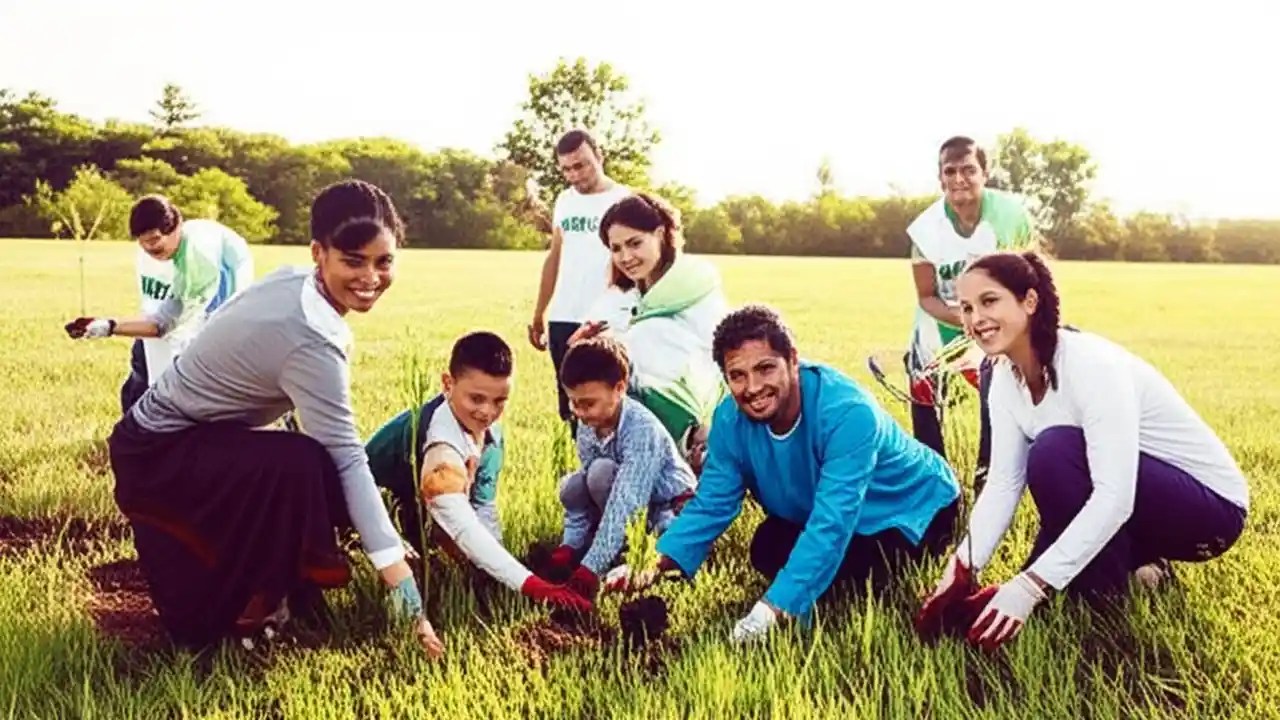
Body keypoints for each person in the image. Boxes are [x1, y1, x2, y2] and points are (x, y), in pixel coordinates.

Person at [104, 179, 441, 655]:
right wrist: (407, 595)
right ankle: (250, 612)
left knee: (306, 466)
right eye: (353, 260)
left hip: (191, 440)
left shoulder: (293, 281)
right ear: (318, 253)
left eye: (384, 261)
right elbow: (346, 456)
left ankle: (285, 591)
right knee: (306, 465)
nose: (371, 277)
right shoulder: (307, 340)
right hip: (159, 456)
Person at [916, 251, 1250, 652]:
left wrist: (1029, 586)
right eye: (966, 307)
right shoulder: (1004, 377)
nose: (975, 318)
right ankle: (1134, 571)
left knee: (1055, 451)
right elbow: (1004, 483)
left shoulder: (1091, 364)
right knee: (1053, 459)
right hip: (1141, 504)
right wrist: (963, 567)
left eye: (989, 301)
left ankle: (1102, 600)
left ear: (1029, 301)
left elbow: (1114, 496)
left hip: (1209, 513)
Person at [620, 304, 961, 644]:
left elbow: (832, 523)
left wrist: (771, 609)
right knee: (767, 547)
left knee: (862, 573)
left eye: (765, 368)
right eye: (737, 375)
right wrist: (653, 562)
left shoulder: (849, 413)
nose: (752, 388)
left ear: (793, 360)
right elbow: (711, 503)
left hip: (914, 508)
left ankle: (808, 597)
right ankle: (807, 583)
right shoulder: (729, 420)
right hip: (822, 509)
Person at [362, 331, 592, 613]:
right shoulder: (439, 441)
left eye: (499, 401)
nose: (486, 412)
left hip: (420, 504)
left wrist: (494, 569)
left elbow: (483, 506)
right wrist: (533, 585)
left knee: (471, 559)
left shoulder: (491, 437)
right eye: (476, 399)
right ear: (448, 384)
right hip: (370, 507)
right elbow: (461, 523)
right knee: (410, 585)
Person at [905, 136, 1042, 485]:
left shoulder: (1010, 217)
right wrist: (966, 319)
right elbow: (926, 296)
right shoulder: (925, 229)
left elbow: (1028, 282)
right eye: (949, 171)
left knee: (995, 382)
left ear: (985, 173)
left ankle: (990, 473)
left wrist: (989, 323)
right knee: (919, 378)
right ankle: (933, 475)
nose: (959, 179)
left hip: (997, 316)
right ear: (940, 178)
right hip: (945, 315)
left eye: (968, 169)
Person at [569, 192, 728, 472]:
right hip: (634, 403)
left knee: (649, 334)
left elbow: (720, 355)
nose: (625, 257)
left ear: (660, 234)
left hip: (694, 400)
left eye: (635, 243)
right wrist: (582, 347)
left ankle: (695, 451)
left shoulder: (693, 288)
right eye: (616, 249)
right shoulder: (623, 297)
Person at [538, 336, 698, 602]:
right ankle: (577, 547)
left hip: (669, 504)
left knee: (666, 543)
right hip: (628, 501)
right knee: (574, 485)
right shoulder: (589, 425)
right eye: (573, 402)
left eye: (588, 403)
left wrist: (589, 571)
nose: (579, 411)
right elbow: (591, 489)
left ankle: (623, 551)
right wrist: (573, 542)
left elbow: (627, 500)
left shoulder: (641, 429)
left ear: (620, 388)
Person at [66, 195, 256, 413]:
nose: (149, 247)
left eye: (155, 240)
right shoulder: (153, 252)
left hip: (221, 286)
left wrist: (110, 326)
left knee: (205, 360)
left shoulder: (199, 266)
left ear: (177, 227)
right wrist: (105, 325)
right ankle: (134, 429)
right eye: (143, 242)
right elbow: (153, 314)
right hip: (184, 291)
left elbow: (161, 325)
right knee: (142, 358)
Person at [526, 129, 632, 431]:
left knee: (607, 412)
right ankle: (586, 475)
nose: (574, 175)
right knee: (576, 412)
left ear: (600, 157)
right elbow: (555, 256)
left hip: (603, 322)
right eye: (567, 169)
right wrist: (539, 313)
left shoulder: (623, 200)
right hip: (563, 319)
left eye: (581, 165)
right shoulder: (565, 201)